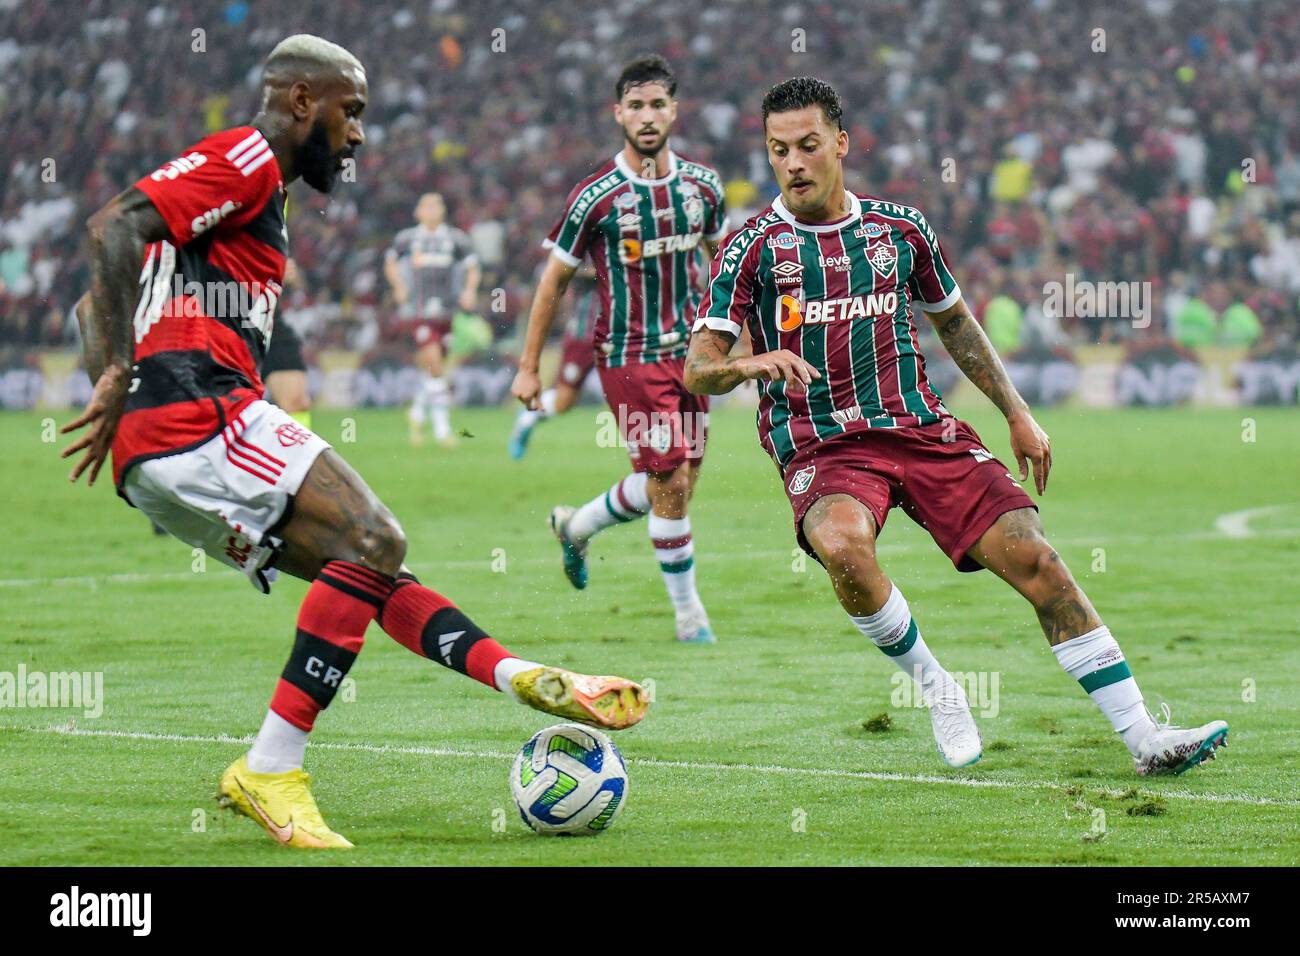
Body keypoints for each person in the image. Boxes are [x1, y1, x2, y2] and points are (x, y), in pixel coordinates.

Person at [61, 34, 648, 850]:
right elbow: (110, 226)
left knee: (366, 567)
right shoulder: (248, 157)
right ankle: (270, 768)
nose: (360, 136)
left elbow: (93, 303)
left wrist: (115, 386)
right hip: (198, 409)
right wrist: (125, 374)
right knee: (375, 536)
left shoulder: (245, 191)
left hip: (166, 437)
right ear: (303, 100)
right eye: (353, 112)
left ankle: (521, 677)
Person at [685, 77, 1227, 775]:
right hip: (823, 443)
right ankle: (938, 686)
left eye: (808, 146)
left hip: (918, 428)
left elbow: (956, 325)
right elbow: (698, 369)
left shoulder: (901, 230)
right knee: (843, 548)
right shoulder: (750, 247)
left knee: (1039, 560)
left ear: (841, 145)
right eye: (778, 150)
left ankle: (1145, 740)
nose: (792, 163)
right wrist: (753, 362)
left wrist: (1017, 412)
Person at [510, 53, 729, 644]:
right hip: (628, 354)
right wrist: (531, 367)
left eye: (658, 103)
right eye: (636, 105)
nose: (647, 115)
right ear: (619, 114)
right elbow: (553, 280)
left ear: (674, 110)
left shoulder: (704, 187)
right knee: (672, 485)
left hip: (693, 358)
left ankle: (576, 526)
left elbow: (724, 263)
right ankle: (690, 619)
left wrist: (740, 340)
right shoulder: (596, 197)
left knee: (675, 487)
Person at [384, 192, 480, 446]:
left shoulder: (456, 238)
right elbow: (390, 262)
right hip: (420, 312)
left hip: (448, 313)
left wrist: (470, 290)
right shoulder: (408, 238)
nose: (431, 209)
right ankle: (442, 429)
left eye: (436, 204)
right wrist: (398, 286)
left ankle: (416, 411)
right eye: (426, 205)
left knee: (434, 370)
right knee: (436, 367)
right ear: (418, 212)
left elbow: (473, 267)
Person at [508, 264, 600, 459]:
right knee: (564, 401)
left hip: (625, 336)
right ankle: (528, 417)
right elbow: (562, 272)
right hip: (584, 334)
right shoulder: (590, 240)